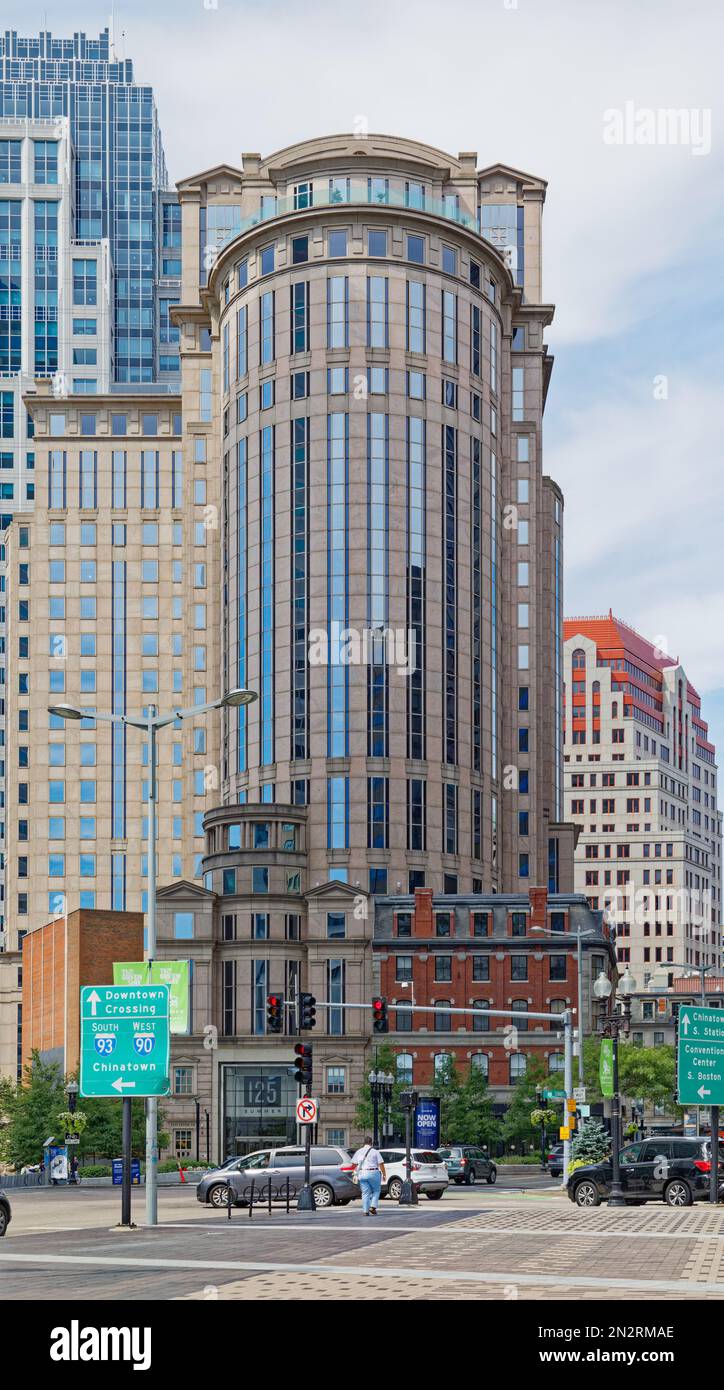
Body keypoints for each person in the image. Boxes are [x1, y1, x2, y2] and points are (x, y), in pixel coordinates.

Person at [352, 1138, 386, 1216]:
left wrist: (356, 1171)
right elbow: (381, 1164)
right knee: (376, 1190)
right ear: (371, 1143)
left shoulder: (358, 1151)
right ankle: (373, 1206)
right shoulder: (375, 1152)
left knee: (365, 1193)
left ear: (364, 1143)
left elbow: (354, 1164)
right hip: (373, 1172)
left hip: (362, 1173)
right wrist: (384, 1174)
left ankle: (365, 1211)